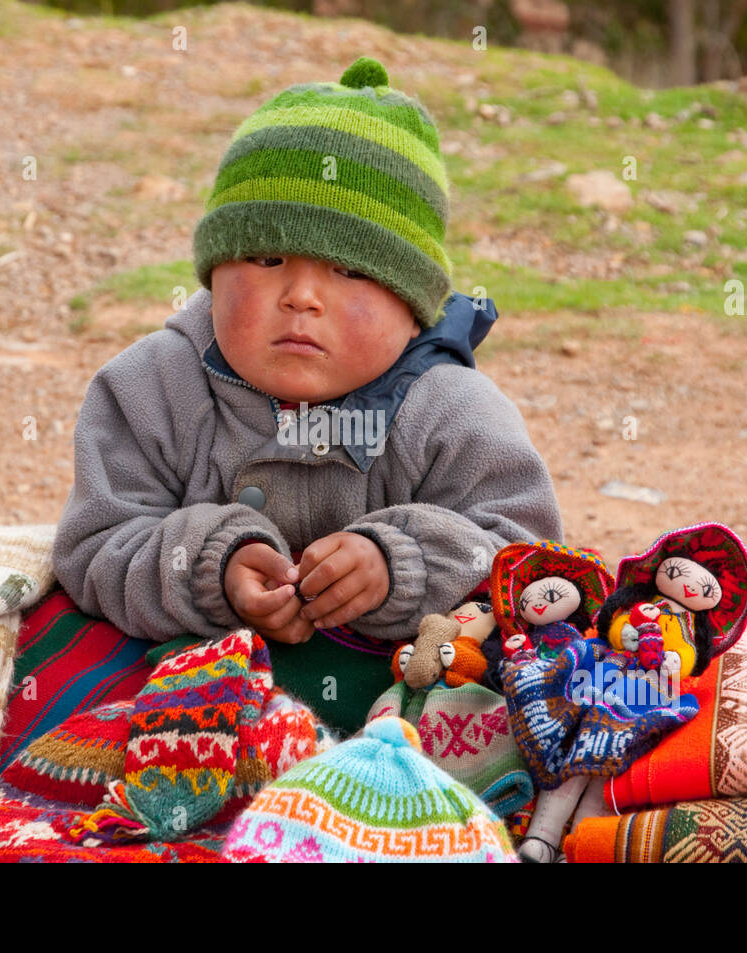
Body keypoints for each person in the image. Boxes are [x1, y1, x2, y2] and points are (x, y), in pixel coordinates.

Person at [52, 56, 564, 733]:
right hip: (189, 712)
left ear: (412, 307)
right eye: (266, 261)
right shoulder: (152, 387)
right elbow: (94, 542)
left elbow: (529, 558)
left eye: (349, 268)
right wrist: (212, 566)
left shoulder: (449, 409)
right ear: (213, 273)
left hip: (390, 724)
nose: (300, 295)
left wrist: (398, 561)